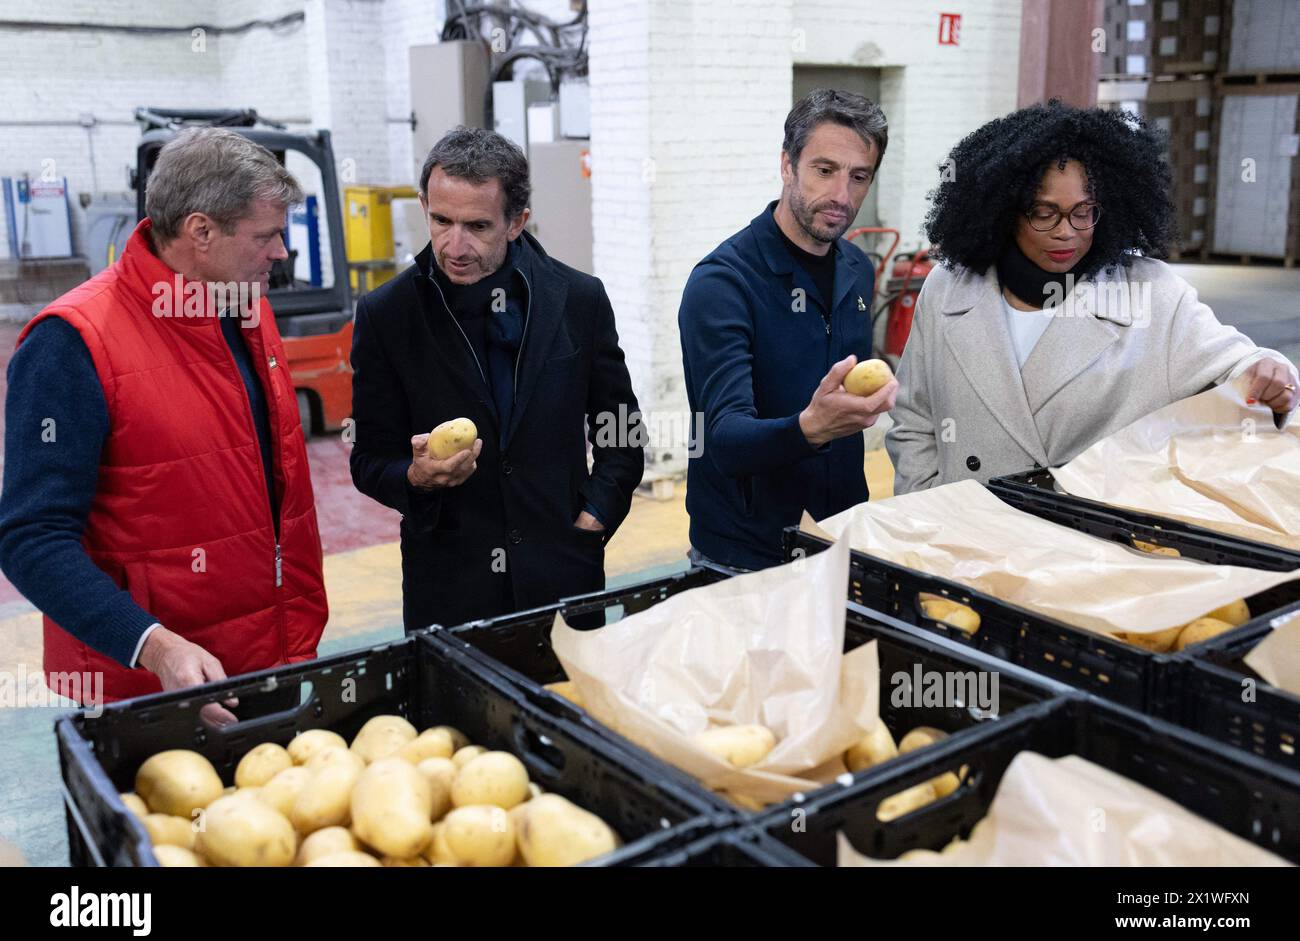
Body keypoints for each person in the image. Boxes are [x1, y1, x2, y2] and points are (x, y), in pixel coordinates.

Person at [0, 128, 328, 718]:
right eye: (267, 236)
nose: (282, 252)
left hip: (266, 659)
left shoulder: (243, 306)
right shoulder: (72, 343)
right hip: (150, 690)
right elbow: (32, 539)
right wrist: (152, 647)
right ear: (201, 231)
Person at [887, 100, 1299, 494]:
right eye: (1044, 212)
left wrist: (1271, 372)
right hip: (964, 536)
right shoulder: (947, 289)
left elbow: (1240, 365)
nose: (1067, 231)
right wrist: (924, 503)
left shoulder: (1152, 294)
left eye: (1084, 211)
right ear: (1004, 210)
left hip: (1092, 547)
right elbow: (914, 418)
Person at [349, 126, 644, 630]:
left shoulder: (579, 300)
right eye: (440, 220)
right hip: (450, 592)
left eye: (477, 226)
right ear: (424, 205)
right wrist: (416, 478)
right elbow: (369, 459)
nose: (454, 245)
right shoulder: (387, 315)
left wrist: (592, 520)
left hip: (563, 581)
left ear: (517, 222)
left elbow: (622, 434)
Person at [678, 88, 897, 571]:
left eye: (858, 177)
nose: (842, 196)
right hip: (743, 555)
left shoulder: (856, 268)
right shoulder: (723, 282)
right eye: (824, 170)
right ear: (787, 165)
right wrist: (811, 428)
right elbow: (726, 439)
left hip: (838, 537)